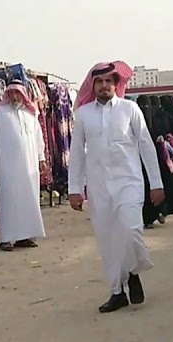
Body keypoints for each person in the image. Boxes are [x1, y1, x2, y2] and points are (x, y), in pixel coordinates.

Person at [69, 62, 165, 313]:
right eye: (99, 82)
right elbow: (77, 153)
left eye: (108, 82)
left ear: (116, 84)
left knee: (131, 229)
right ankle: (116, 291)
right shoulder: (83, 114)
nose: (103, 86)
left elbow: (145, 145)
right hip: (98, 186)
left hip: (129, 182)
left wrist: (156, 183)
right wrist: (74, 188)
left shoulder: (129, 109)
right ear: (93, 85)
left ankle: (133, 271)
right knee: (109, 241)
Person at [0, 80, 48, 252]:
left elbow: (39, 140)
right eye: (10, 93)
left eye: (17, 93)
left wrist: (41, 159)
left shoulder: (31, 114)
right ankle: (7, 239)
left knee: (29, 200)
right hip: (7, 167)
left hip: (30, 167)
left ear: (23, 94)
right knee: (9, 202)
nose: (14, 96)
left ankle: (25, 237)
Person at [136, 94, 169, 229]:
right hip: (156, 158)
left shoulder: (134, 115)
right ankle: (156, 213)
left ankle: (144, 217)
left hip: (137, 160)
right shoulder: (159, 115)